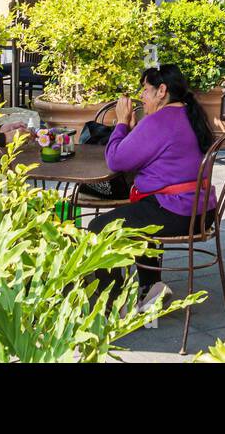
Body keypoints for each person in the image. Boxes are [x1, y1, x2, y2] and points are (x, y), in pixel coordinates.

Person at [90, 64, 217, 300]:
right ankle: (150, 288)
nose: (141, 96)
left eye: (145, 89)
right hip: (203, 211)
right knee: (141, 212)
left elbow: (116, 160)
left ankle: (113, 302)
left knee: (100, 227)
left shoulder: (160, 121)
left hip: (178, 213)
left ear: (162, 91)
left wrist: (120, 122)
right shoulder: (189, 113)